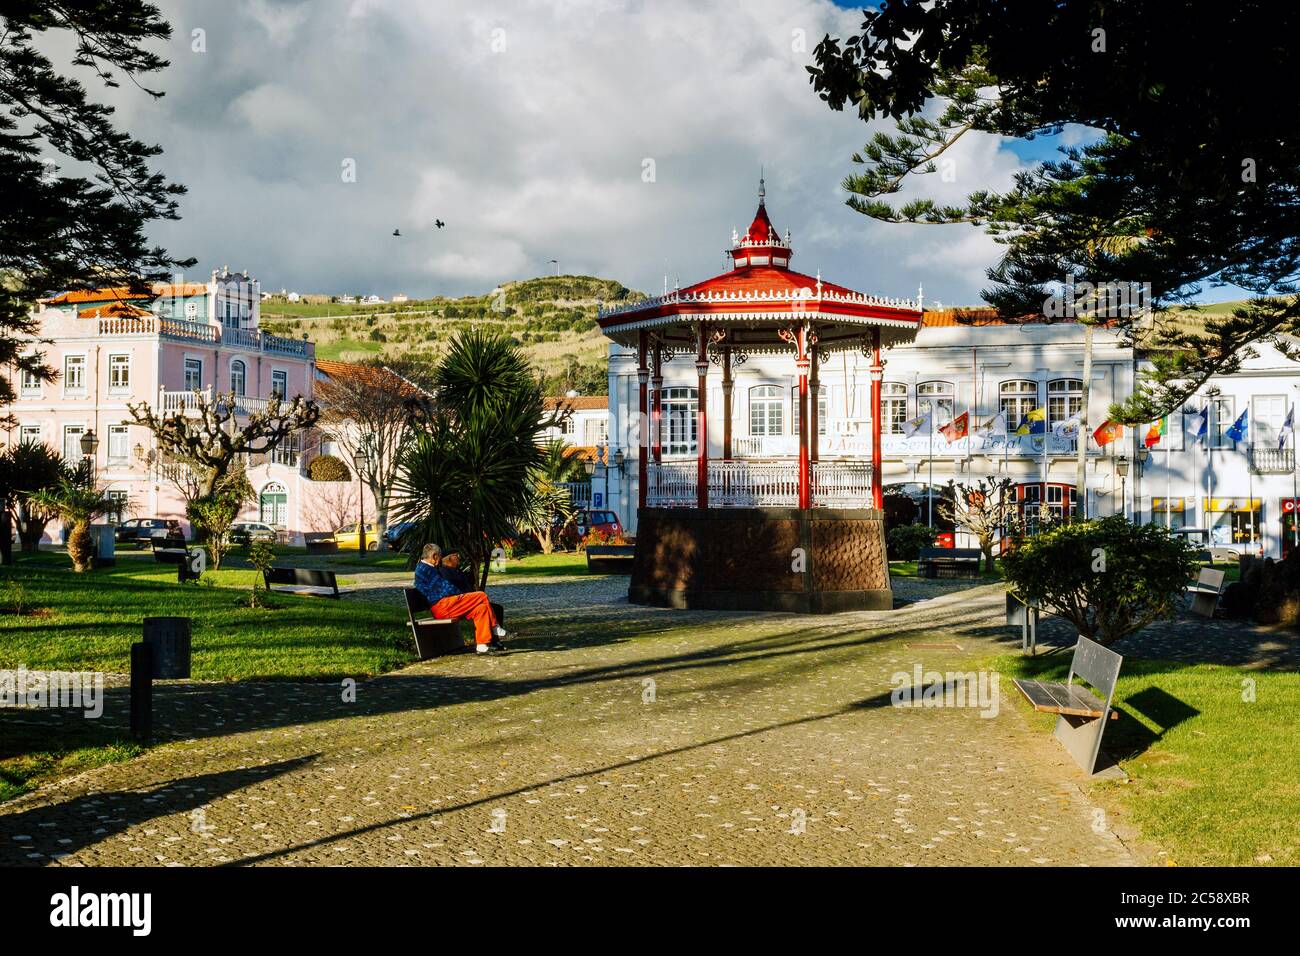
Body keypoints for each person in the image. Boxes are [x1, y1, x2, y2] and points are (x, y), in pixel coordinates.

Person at [414, 543, 507, 654]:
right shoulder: (425, 569)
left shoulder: (426, 568)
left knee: (481, 609)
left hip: (445, 604)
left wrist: (462, 596)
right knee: (481, 595)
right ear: (434, 556)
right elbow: (446, 588)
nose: (440, 560)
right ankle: (495, 627)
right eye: (439, 556)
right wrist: (462, 596)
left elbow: (443, 588)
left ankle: (482, 645)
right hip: (441, 607)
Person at [441, 550, 504, 627]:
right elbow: (454, 590)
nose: (458, 557)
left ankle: (494, 633)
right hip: (460, 603)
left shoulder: (456, 570)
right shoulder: (445, 572)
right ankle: (495, 627)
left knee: (496, 608)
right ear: (449, 558)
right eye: (456, 555)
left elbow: (468, 582)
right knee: (489, 606)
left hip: (468, 599)